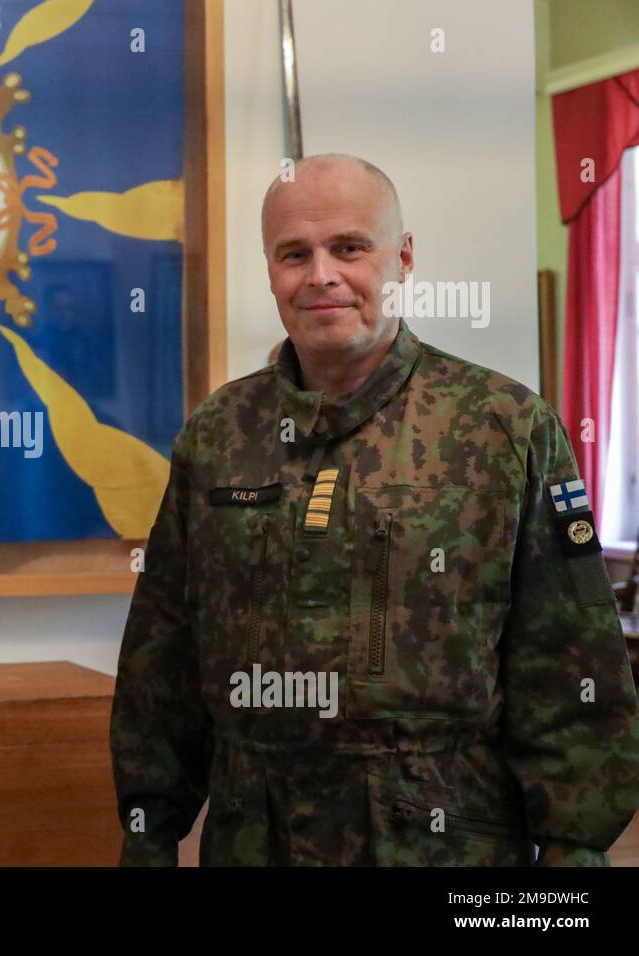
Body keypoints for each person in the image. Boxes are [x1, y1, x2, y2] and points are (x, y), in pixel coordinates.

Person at [110, 153, 639, 866]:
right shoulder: (219, 434)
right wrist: (149, 825)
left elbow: (570, 648)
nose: (321, 274)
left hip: (442, 837)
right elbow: (162, 649)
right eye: (294, 253)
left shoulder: (503, 426)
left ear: (403, 258)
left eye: (349, 248)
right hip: (256, 835)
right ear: (270, 271)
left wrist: (577, 845)